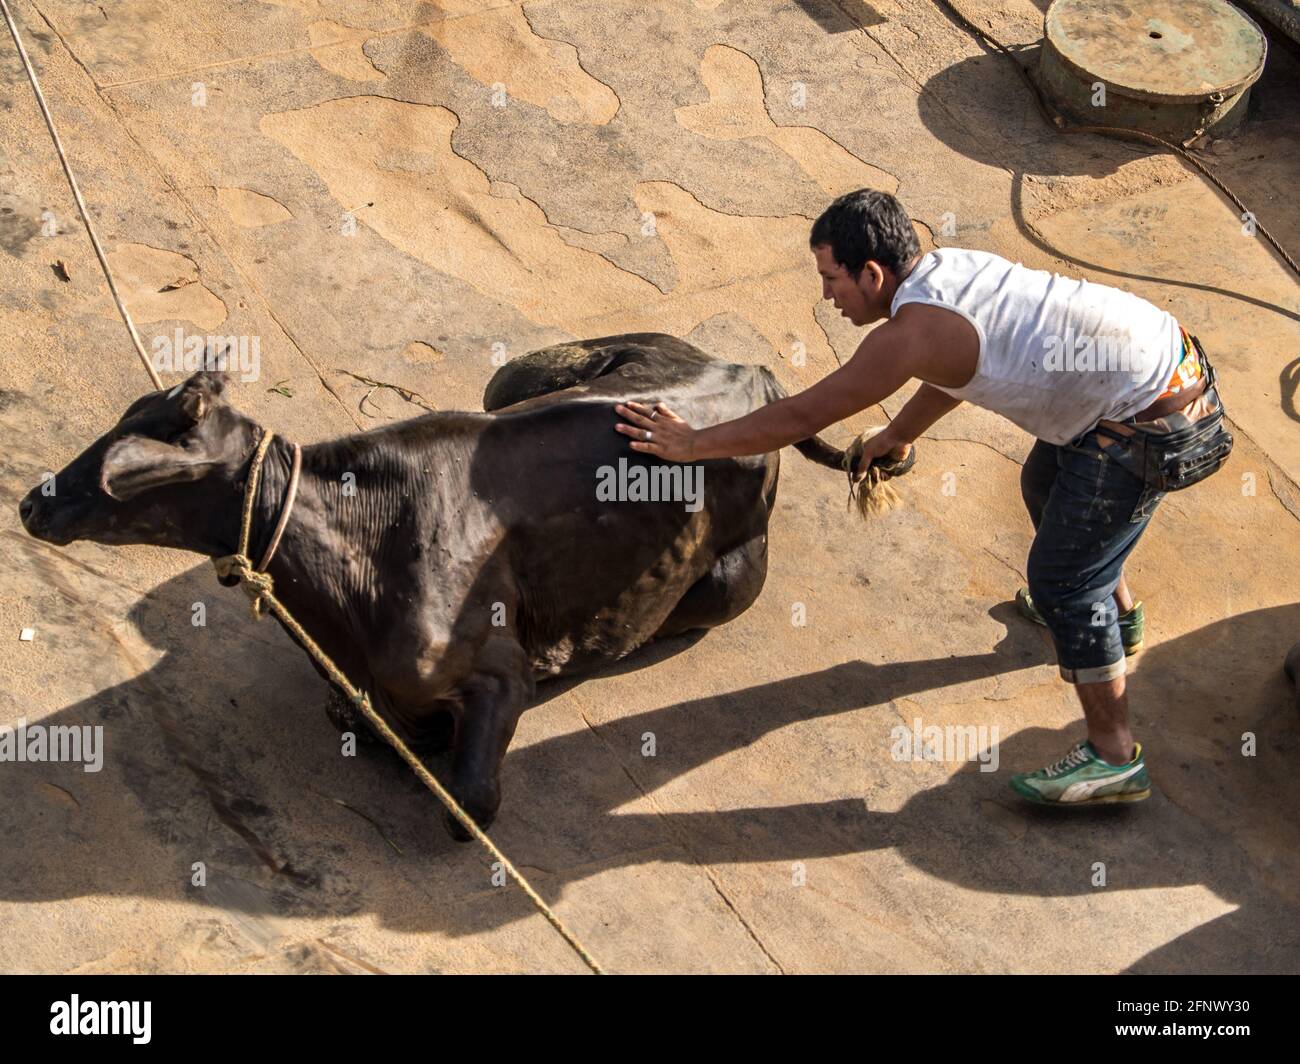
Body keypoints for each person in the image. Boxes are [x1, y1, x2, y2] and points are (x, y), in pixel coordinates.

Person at [614, 188, 1228, 806]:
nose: (827, 296)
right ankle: (1116, 618)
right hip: (1163, 363)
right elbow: (960, 371)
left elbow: (799, 415)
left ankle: (1113, 754)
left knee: (1065, 581)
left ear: (872, 273)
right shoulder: (948, 274)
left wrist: (691, 445)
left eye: (832, 279)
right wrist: (898, 433)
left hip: (1152, 426)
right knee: (1044, 483)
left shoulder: (905, 337)